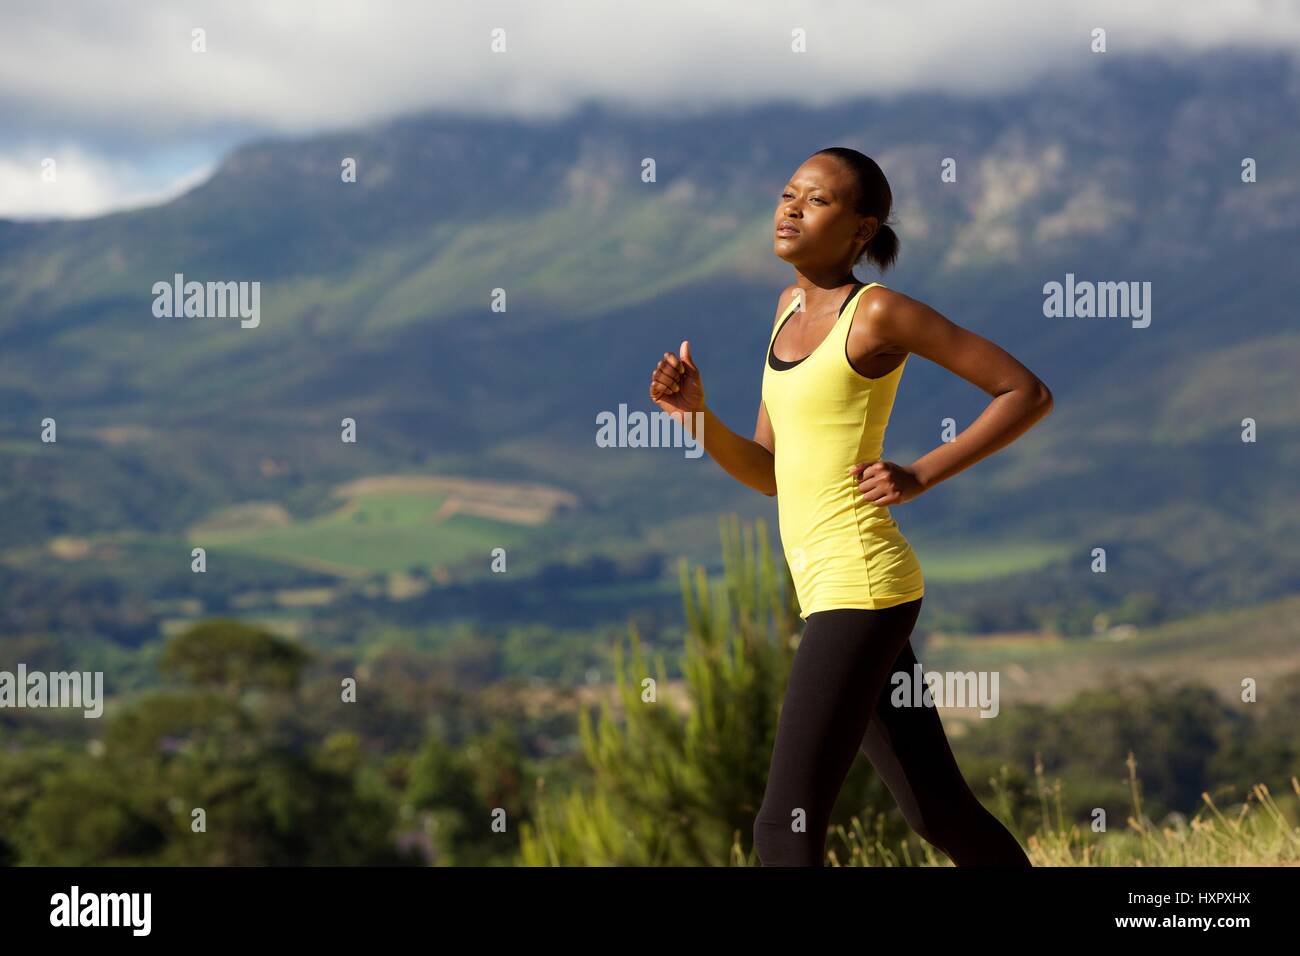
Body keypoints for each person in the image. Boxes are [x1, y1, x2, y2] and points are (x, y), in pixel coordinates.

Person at [647, 147, 1053, 867]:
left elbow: (1025, 392)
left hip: (860, 587)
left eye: (818, 200)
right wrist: (696, 416)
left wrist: (922, 472)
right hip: (836, 590)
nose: (792, 208)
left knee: (783, 827)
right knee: (939, 812)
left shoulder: (878, 314)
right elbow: (769, 473)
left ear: (863, 230)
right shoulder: (786, 311)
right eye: (788, 194)